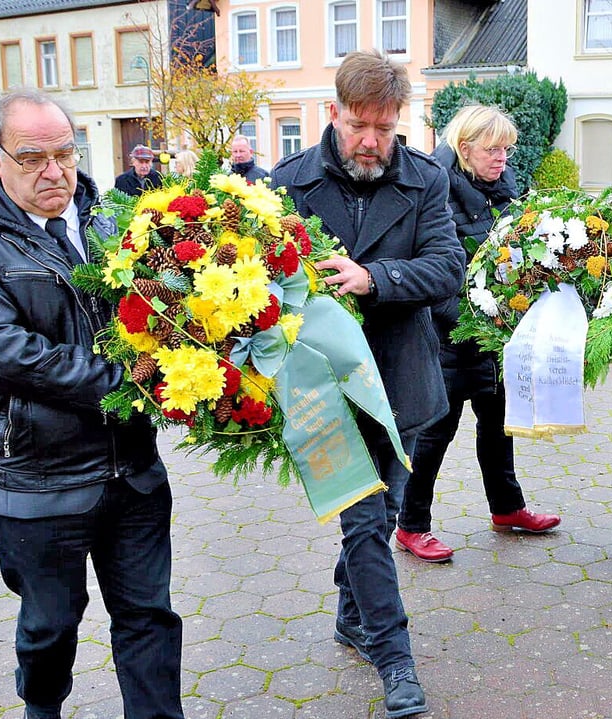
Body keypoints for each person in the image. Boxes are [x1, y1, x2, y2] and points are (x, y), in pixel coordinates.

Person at [0, 89, 184, 719]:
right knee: (50, 629)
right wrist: (132, 377)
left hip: (133, 470)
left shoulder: (108, 222)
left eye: (66, 152)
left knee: (149, 620)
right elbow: (8, 355)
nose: (55, 171)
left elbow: (164, 311)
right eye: (33, 156)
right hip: (39, 480)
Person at [271, 50, 463, 718]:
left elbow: (447, 268)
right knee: (360, 517)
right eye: (359, 125)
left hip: (402, 379)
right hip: (321, 386)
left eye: (384, 127)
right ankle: (395, 659)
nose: (371, 141)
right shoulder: (287, 182)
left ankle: (352, 614)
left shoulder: (426, 178)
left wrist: (374, 278)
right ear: (333, 114)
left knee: (381, 518)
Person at [395, 105, 561, 563]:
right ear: (464, 149)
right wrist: (469, 318)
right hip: (447, 338)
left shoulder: (502, 191)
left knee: (498, 427)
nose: (503, 157)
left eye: (506, 148)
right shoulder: (434, 192)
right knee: (434, 436)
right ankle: (411, 525)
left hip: (495, 339)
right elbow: (431, 269)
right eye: (493, 149)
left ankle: (507, 508)